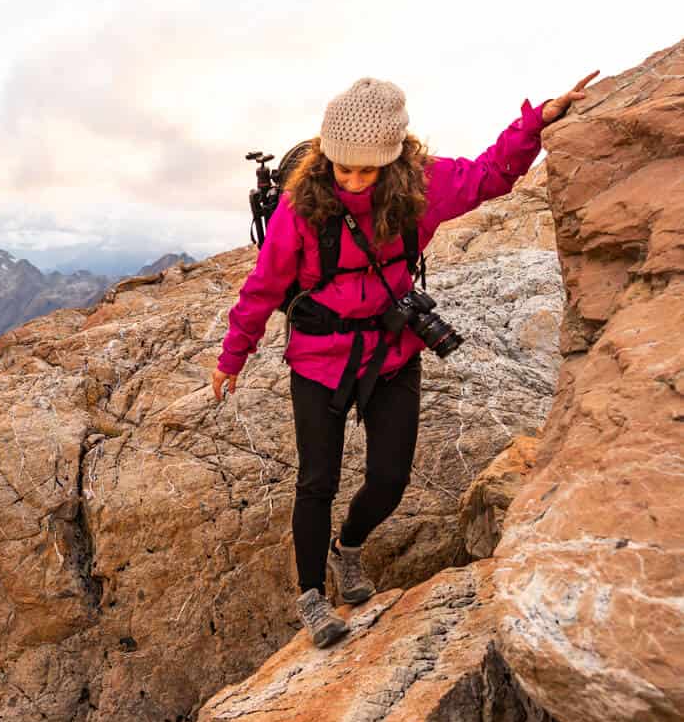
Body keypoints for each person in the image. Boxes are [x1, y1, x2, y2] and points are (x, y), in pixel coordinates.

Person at [211, 71, 598, 647]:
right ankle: (313, 596)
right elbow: (263, 287)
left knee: (390, 479)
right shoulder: (302, 208)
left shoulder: (420, 189)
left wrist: (533, 123)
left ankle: (350, 547)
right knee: (317, 481)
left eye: (368, 169)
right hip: (319, 357)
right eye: (345, 168)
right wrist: (232, 356)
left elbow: (491, 175)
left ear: (392, 159)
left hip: (393, 350)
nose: (356, 180)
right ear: (327, 157)